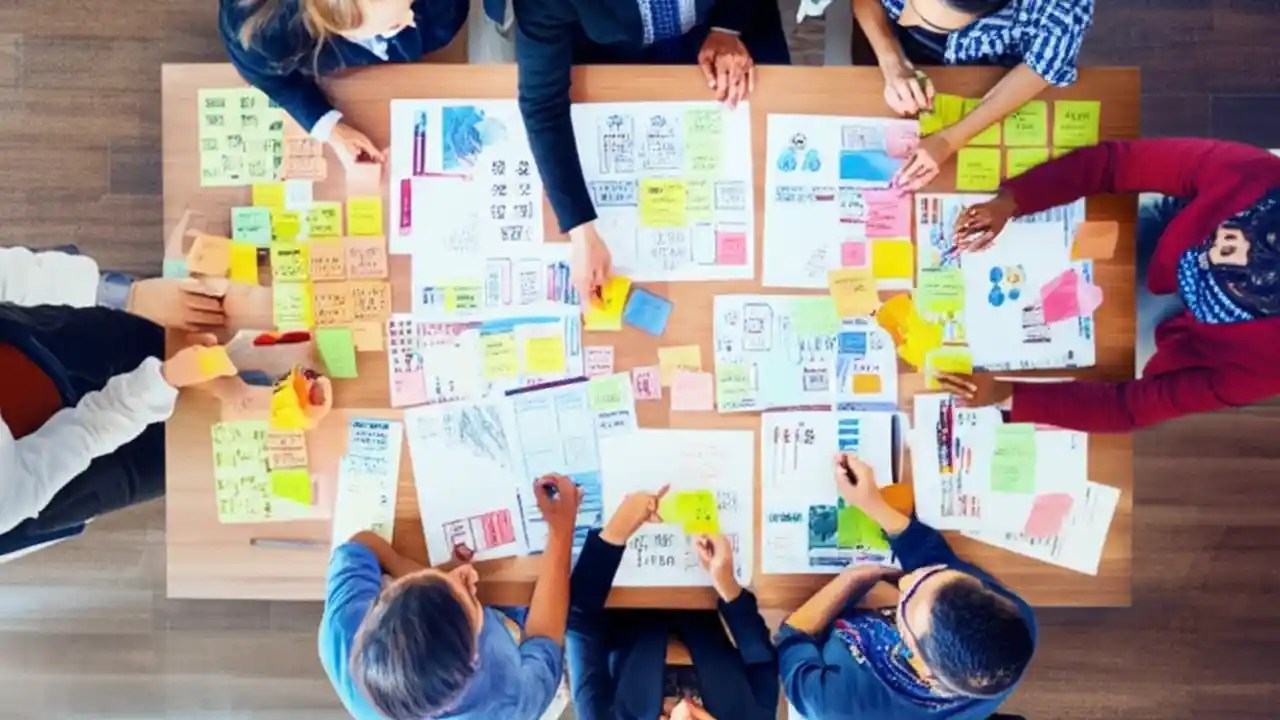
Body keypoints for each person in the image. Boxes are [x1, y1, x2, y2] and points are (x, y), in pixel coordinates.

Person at [936, 138, 1280, 433]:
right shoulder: (1253, 174)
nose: (1220, 250)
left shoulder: (1267, 364)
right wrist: (1015, 199)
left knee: (1106, 347)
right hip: (1166, 234)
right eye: (1232, 235)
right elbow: (1116, 162)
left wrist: (1008, 395)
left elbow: (1128, 407)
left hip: (1183, 332)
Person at [513, 0, 792, 299]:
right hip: (605, 39)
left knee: (773, 211)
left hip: (720, 22)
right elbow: (543, 104)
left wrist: (726, 27)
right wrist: (580, 229)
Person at [0, 246, 241, 555]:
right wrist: (163, 380)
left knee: (156, 338)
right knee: (208, 444)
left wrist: (127, 296)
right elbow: (87, 432)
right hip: (69, 466)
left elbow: (11, 276)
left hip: (33, 341)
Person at [778, 453, 1036, 719]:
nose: (905, 579)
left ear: (917, 657)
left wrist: (852, 580)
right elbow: (935, 557)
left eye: (909, 597)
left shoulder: (837, 705)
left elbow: (791, 638)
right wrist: (873, 504)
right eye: (931, 574)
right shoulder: (1015, 620)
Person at [319, 474, 582, 720]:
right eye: (470, 599)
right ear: (475, 656)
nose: (468, 574)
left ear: (380, 604)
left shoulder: (344, 633)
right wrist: (561, 531)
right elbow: (545, 637)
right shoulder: (506, 700)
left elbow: (361, 545)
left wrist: (433, 572)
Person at [566, 485, 778, 720]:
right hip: (701, 580)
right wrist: (728, 585)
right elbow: (762, 660)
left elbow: (579, 623)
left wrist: (615, 533)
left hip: (627, 584)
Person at [849, 0, 1095, 191]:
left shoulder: (1062, 7)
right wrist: (891, 60)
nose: (909, 16)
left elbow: (1041, 68)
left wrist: (950, 140)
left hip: (985, 74)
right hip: (893, 45)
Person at [220, 0, 473, 165]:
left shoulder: (413, 13)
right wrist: (327, 126)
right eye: (393, 24)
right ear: (334, 23)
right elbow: (268, 78)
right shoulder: (262, 30)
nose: (409, 18)